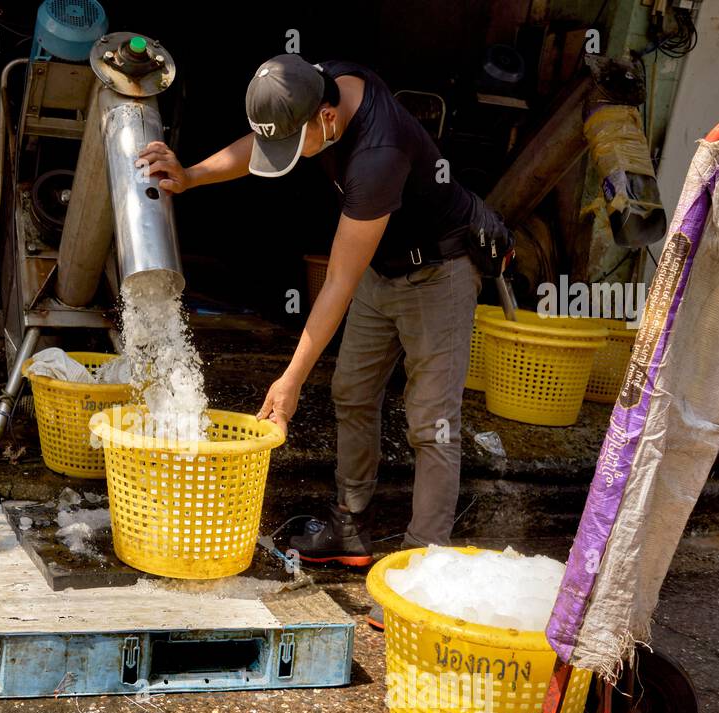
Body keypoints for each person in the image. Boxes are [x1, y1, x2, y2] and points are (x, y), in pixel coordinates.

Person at [139, 54, 508, 625]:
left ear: (328, 120)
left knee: (431, 421)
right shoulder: (313, 82)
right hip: (383, 269)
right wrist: (191, 175)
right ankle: (351, 525)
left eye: (297, 142)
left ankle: (422, 573)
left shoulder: (378, 156)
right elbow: (261, 143)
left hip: (440, 271)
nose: (287, 156)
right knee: (351, 393)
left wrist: (287, 382)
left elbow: (336, 282)